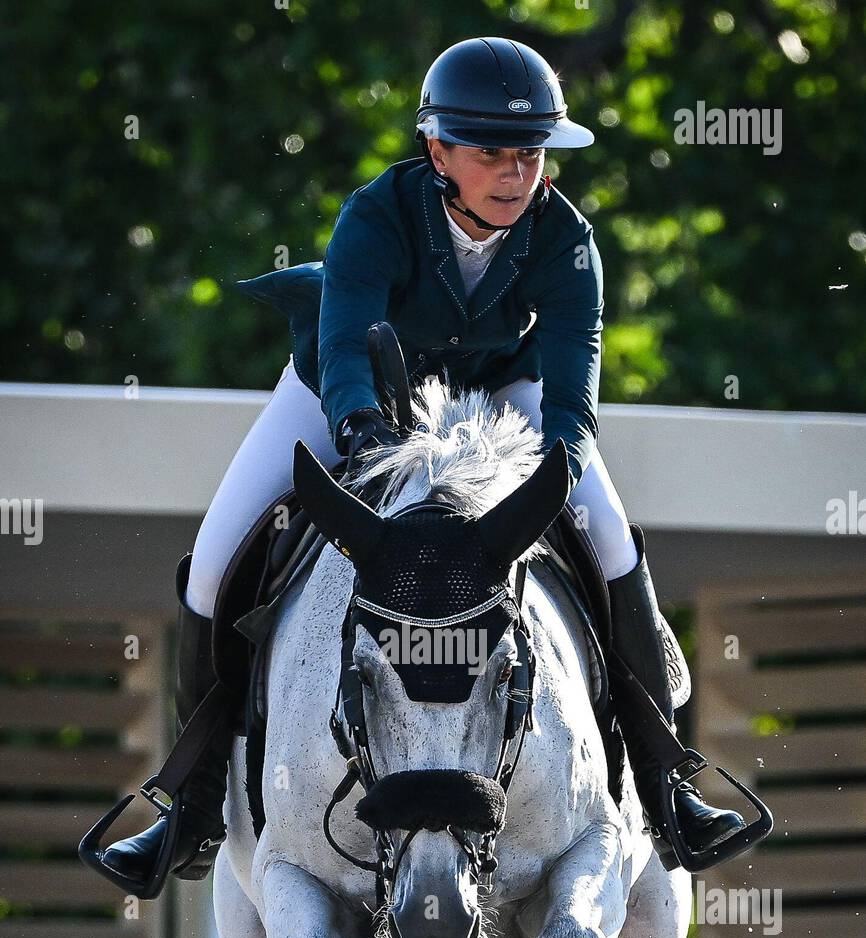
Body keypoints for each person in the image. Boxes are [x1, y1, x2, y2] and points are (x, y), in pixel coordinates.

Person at [94, 36, 747, 894]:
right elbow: (343, 342)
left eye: (531, 152)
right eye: (492, 154)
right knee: (216, 564)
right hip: (347, 391)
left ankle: (668, 789)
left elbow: (571, 376)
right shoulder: (378, 213)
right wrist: (365, 432)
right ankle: (191, 805)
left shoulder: (567, 237)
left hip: (500, 398)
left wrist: (559, 464)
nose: (518, 174)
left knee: (615, 551)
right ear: (438, 152)